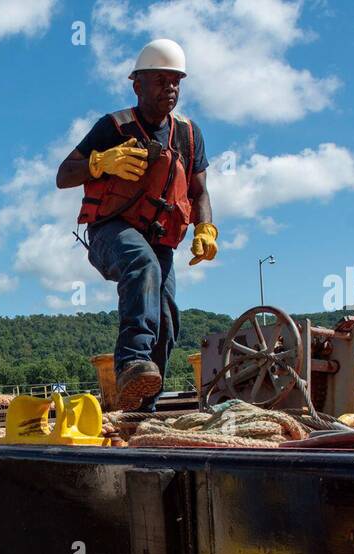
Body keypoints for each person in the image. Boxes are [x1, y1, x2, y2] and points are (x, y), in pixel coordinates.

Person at [56, 38, 218, 412]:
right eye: (161, 80)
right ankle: (131, 363)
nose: (170, 88)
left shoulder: (188, 135)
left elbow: (200, 190)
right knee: (141, 264)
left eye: (176, 81)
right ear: (138, 85)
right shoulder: (114, 127)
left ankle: (141, 408)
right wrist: (100, 162)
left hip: (158, 239)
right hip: (111, 233)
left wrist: (205, 229)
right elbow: (64, 175)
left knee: (166, 316)